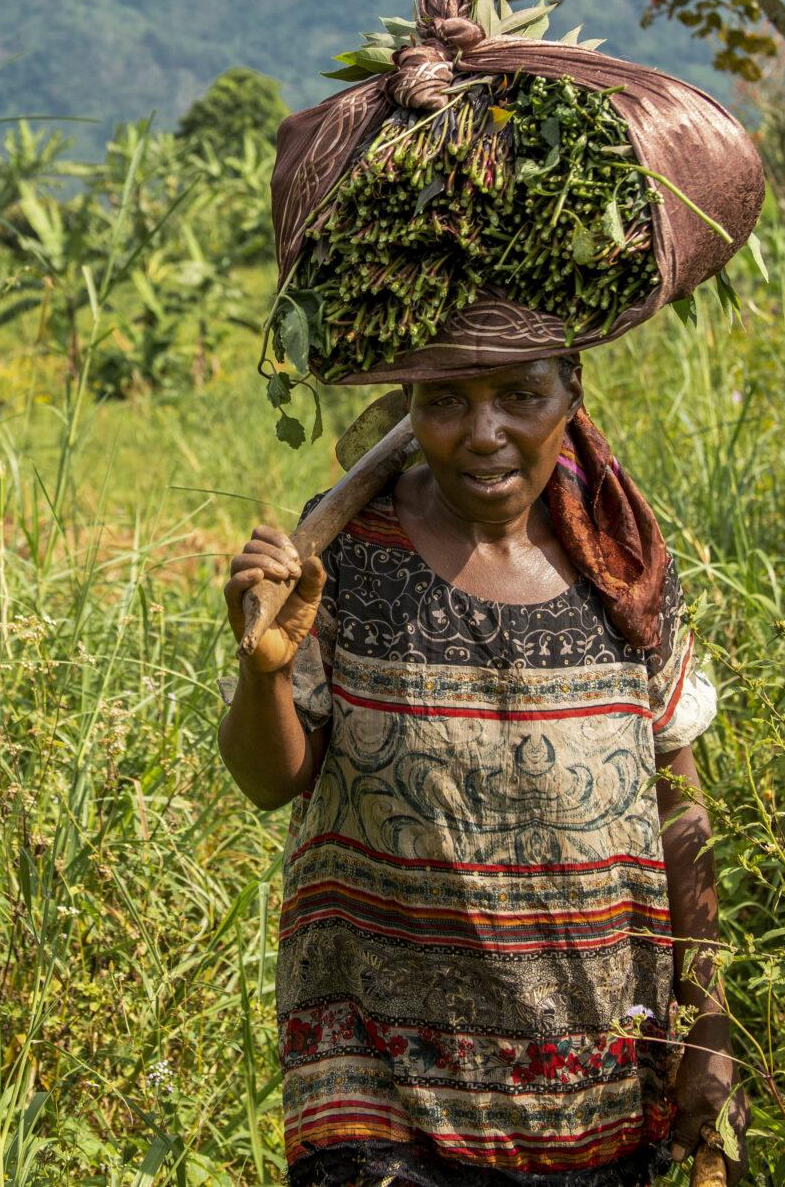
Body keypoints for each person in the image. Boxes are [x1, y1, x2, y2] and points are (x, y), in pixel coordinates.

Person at [219, 353, 739, 1187]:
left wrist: (707, 1017)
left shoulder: (623, 555)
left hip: (594, 1090)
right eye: (448, 399)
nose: (485, 432)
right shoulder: (345, 545)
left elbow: (677, 792)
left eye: (520, 396)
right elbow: (267, 779)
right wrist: (264, 669)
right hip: (377, 1081)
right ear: (410, 405)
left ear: (572, 394)